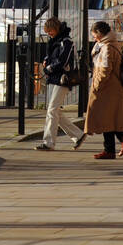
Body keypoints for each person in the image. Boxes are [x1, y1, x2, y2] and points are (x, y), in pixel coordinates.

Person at [83, 21, 123, 160]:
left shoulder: (107, 47)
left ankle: (115, 145)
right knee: (109, 118)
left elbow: (105, 69)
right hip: (111, 87)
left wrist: (97, 84)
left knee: (105, 117)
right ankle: (115, 145)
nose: (94, 38)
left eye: (94, 35)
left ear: (100, 33)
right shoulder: (111, 43)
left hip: (106, 87)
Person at [37, 17, 83, 151]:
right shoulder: (57, 40)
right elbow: (53, 56)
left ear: (56, 29)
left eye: (50, 31)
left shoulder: (66, 41)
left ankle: (48, 142)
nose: (49, 33)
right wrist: (47, 60)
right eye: (47, 31)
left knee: (52, 110)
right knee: (55, 111)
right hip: (57, 78)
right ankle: (78, 135)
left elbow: (63, 60)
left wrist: (49, 67)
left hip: (63, 78)